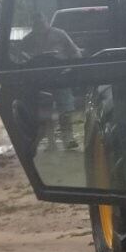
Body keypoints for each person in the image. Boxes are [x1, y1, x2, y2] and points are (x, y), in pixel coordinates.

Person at [18, 13, 82, 150]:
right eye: (36, 24)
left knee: (65, 108)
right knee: (44, 111)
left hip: (60, 76)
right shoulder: (27, 40)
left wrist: (74, 68)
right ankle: (50, 141)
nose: (39, 26)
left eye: (41, 23)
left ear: (46, 21)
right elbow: (20, 58)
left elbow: (75, 51)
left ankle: (68, 138)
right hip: (39, 80)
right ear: (33, 25)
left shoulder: (60, 34)